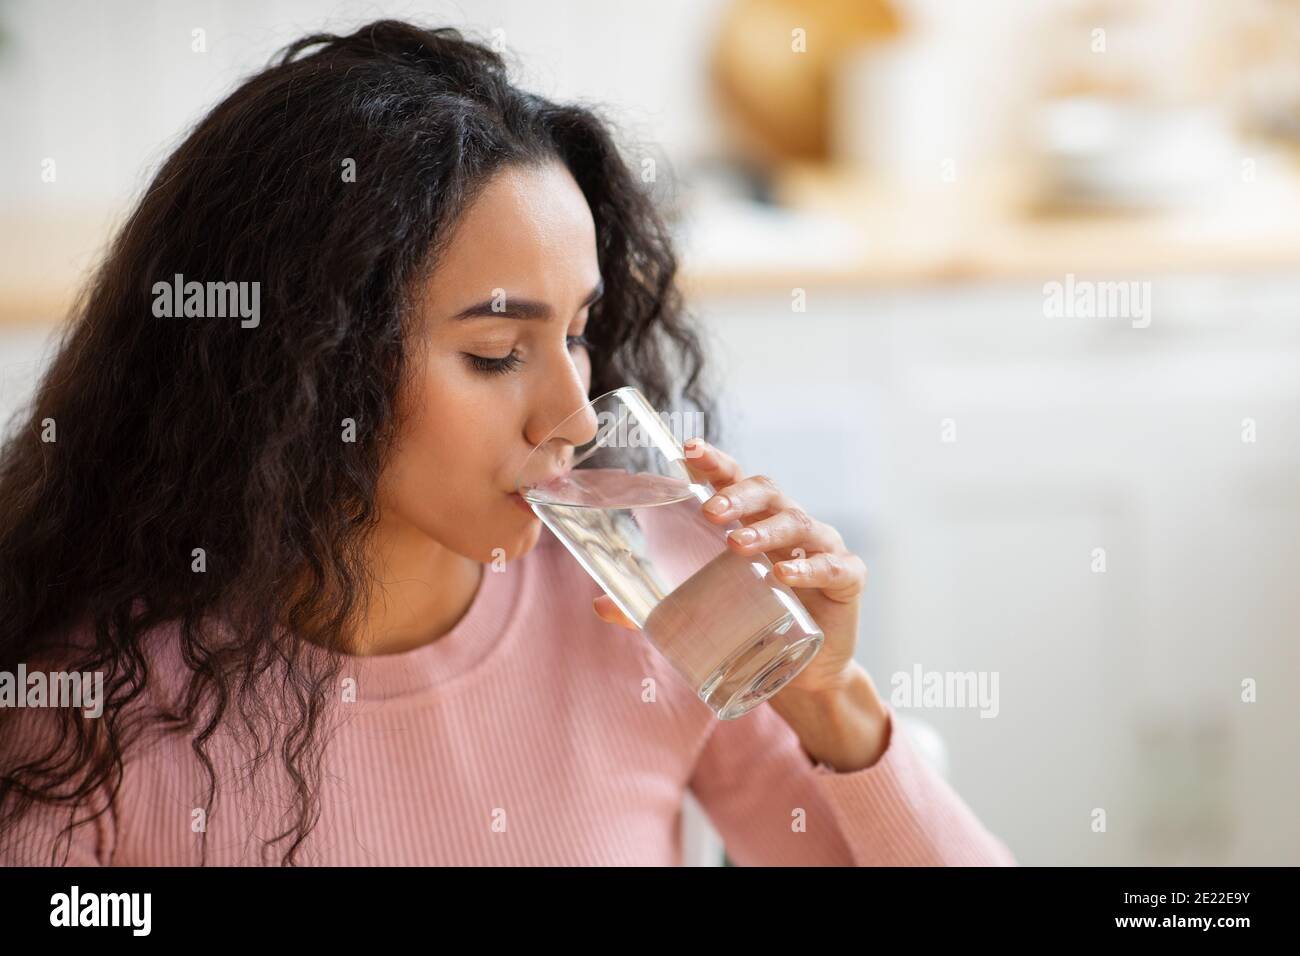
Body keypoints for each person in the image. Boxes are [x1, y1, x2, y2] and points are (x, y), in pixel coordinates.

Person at [0, 20, 1014, 866]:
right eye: (495, 351)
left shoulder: (650, 608)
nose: (574, 417)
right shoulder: (95, 705)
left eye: (576, 333)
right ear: (298, 366)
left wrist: (831, 702)